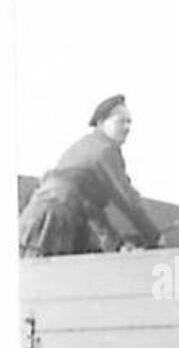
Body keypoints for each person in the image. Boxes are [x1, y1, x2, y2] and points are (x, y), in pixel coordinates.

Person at [18, 94, 160, 257]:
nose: (127, 127)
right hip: (52, 222)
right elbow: (127, 199)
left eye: (130, 122)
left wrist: (116, 244)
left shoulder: (83, 147)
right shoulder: (104, 150)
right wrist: (154, 236)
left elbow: (90, 208)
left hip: (35, 220)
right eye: (121, 121)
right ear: (101, 123)